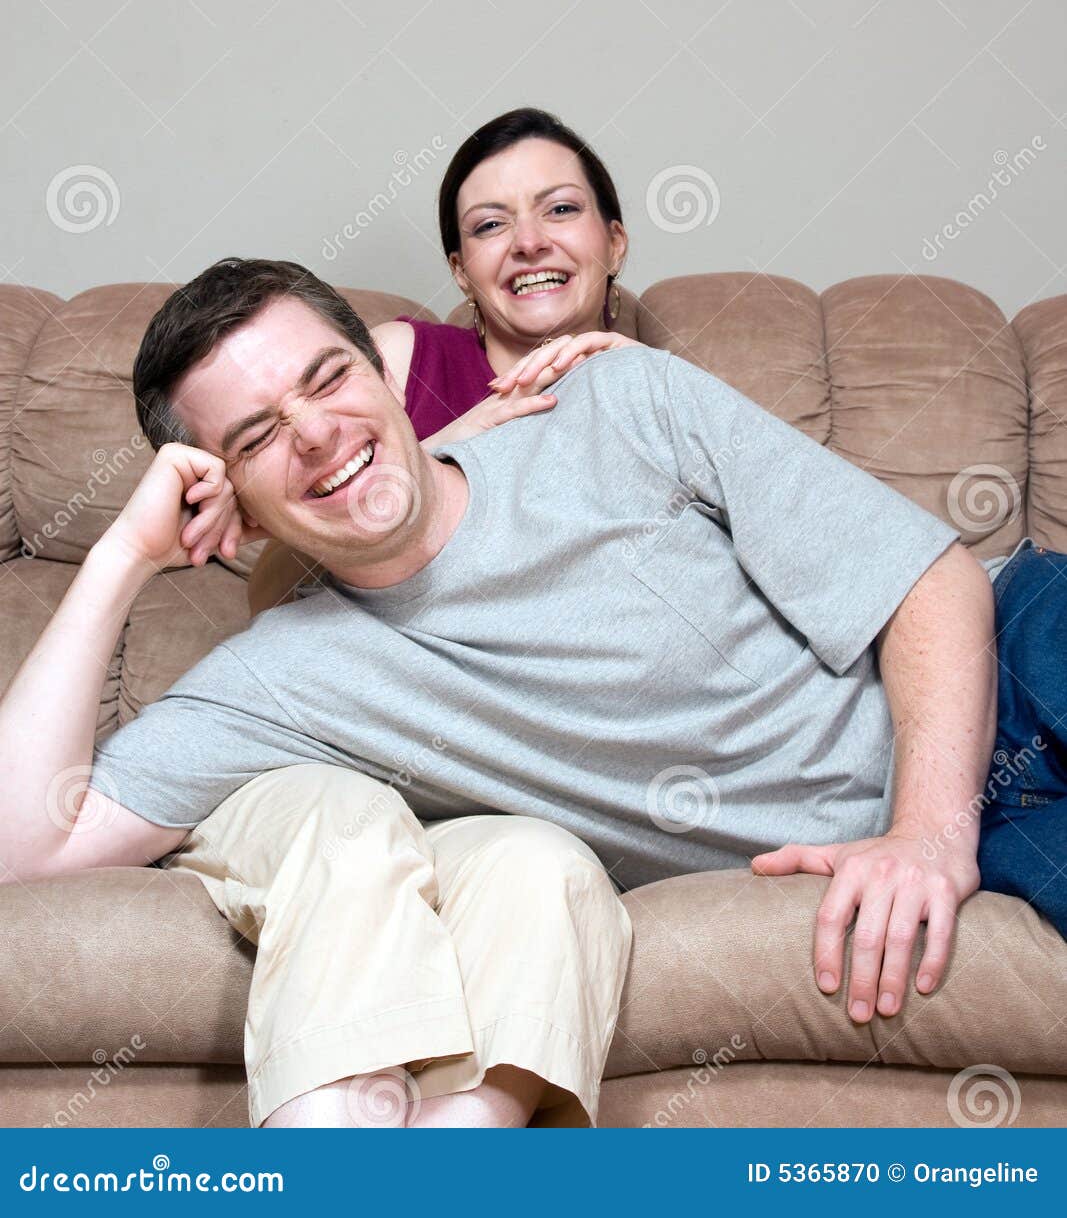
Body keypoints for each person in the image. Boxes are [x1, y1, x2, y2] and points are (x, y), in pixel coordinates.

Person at [3, 259, 1062, 1133]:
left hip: (1012, 660)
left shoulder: (619, 400)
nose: (316, 432)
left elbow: (930, 578)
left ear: (381, 372)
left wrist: (927, 833)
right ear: (219, 492)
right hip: (1002, 829)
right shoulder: (281, 676)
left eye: (328, 378)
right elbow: (26, 849)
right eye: (256, 436)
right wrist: (121, 555)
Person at [249, 106, 633, 612]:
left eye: (560, 209)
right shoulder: (394, 364)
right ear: (461, 272)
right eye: (490, 225)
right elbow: (273, 596)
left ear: (615, 243)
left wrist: (652, 384)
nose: (529, 243)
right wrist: (434, 459)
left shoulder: (661, 388)